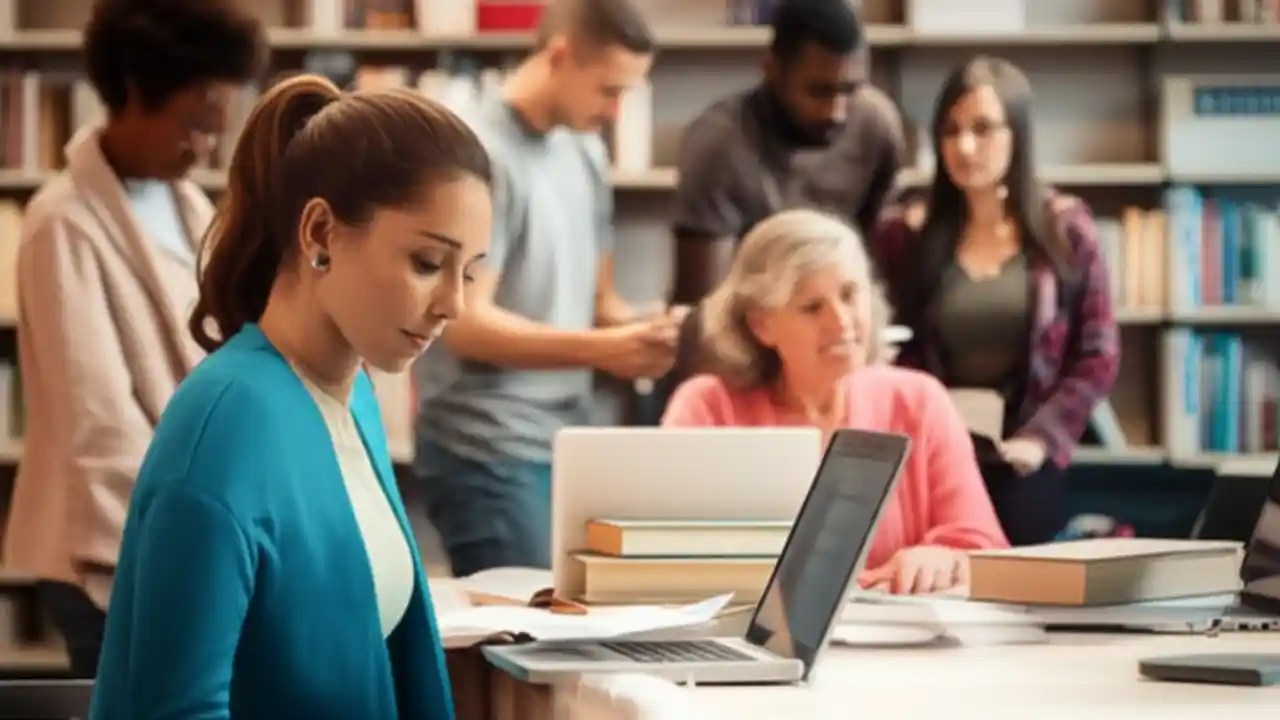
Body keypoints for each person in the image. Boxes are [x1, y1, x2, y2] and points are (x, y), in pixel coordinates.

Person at [88, 74, 491, 719]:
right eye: (426, 263)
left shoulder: (353, 394)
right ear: (321, 233)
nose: (454, 304)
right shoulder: (227, 423)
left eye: (467, 271)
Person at [0, 0, 267, 677]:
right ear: (132, 93)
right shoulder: (63, 221)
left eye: (216, 129)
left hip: (180, 526)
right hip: (114, 544)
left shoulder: (188, 202)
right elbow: (100, 426)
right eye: (192, 126)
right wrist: (196, 542)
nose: (206, 148)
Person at [414, 0, 680, 578]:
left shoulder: (582, 147)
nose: (615, 112)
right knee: (529, 645)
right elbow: (465, 323)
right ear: (559, 56)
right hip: (487, 445)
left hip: (566, 440)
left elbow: (599, 305)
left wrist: (652, 328)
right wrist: (608, 350)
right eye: (608, 90)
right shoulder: (477, 155)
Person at [663, 208, 1009, 595]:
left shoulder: (919, 400)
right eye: (812, 307)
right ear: (762, 324)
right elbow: (670, 558)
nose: (842, 321)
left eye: (849, 295)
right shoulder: (707, 407)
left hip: (904, 648)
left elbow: (984, 548)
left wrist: (944, 558)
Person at [872, 56, 1120, 546]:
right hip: (932, 452)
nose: (964, 147)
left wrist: (1040, 438)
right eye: (951, 130)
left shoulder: (1065, 229)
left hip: (1023, 455)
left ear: (1018, 135)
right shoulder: (906, 237)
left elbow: (1098, 355)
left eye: (983, 129)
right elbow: (893, 349)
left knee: (1015, 569)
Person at [669, 0, 905, 309]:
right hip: (746, 330)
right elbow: (702, 308)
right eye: (819, 92)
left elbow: (877, 260)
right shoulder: (720, 143)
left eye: (850, 89)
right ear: (772, 71)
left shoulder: (875, 125)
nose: (837, 112)